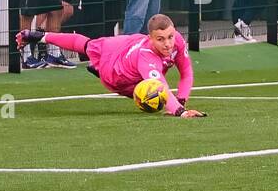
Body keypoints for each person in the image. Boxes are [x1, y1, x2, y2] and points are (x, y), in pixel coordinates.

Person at [17, 13, 205, 117]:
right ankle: (99, 69)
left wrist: (181, 101)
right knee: (88, 45)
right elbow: (161, 85)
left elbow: (186, 72)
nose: (168, 44)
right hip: (116, 76)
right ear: (151, 39)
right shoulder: (147, 57)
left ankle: (96, 66)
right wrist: (181, 113)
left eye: (170, 37)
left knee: (90, 45)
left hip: (129, 45)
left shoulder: (177, 41)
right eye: (161, 39)